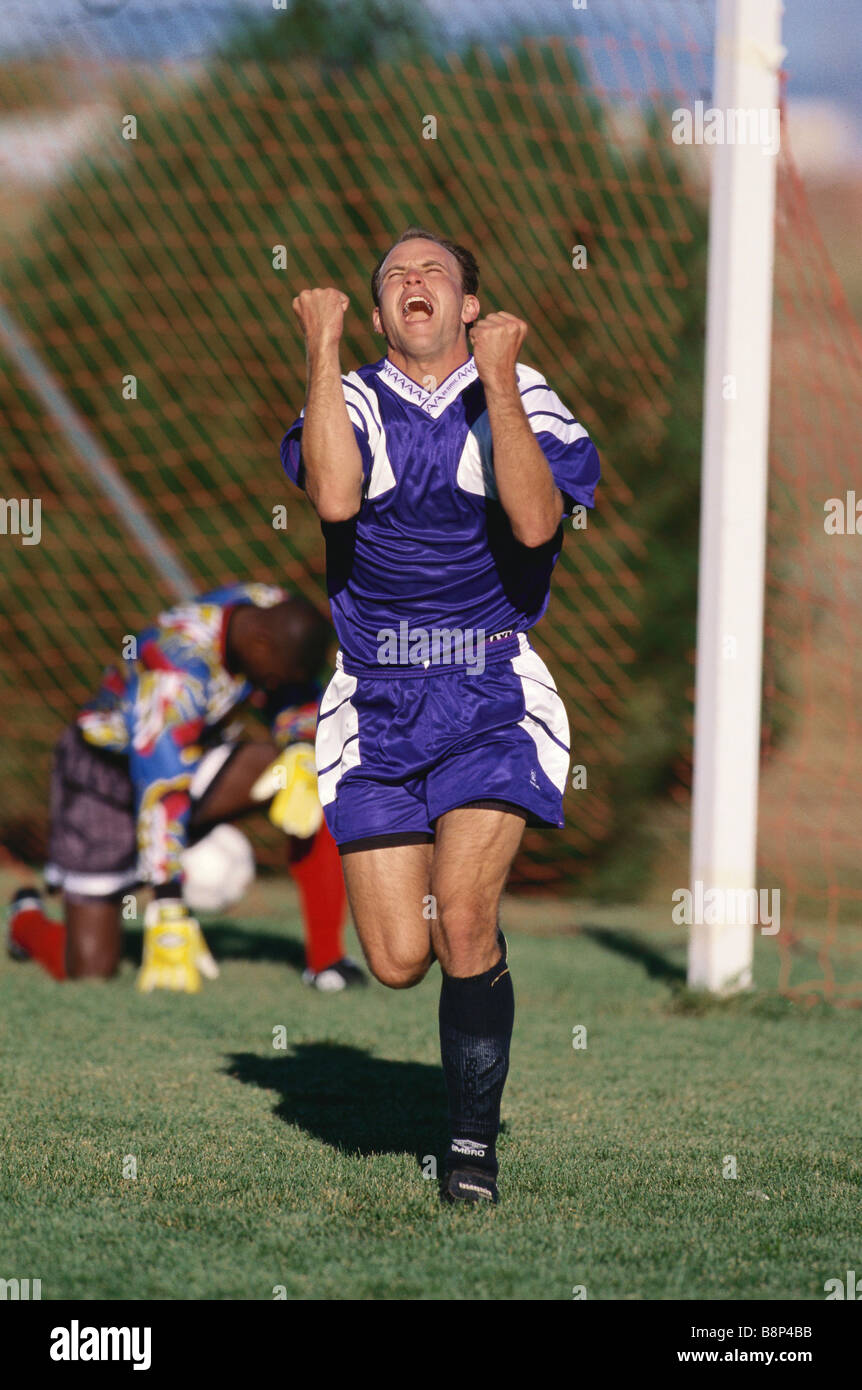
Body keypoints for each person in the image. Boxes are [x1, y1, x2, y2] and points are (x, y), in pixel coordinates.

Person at [281, 227, 600, 1202]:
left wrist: (498, 380)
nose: (411, 283)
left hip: (489, 689)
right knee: (395, 959)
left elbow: (539, 521)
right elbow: (333, 493)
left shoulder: (521, 387)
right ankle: (465, 1014)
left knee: (463, 918)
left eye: (434, 274)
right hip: (374, 698)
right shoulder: (351, 394)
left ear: (470, 306)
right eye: (392, 279)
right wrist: (322, 344)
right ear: (378, 313)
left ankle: (469, 1150)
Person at [7, 582, 364, 993]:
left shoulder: (269, 612)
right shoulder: (173, 677)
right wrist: (170, 906)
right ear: (261, 647)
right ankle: (25, 920)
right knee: (89, 968)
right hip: (103, 781)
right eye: (281, 676)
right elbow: (162, 794)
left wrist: (301, 744)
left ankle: (326, 961)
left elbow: (293, 697)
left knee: (310, 773)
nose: (278, 684)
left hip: (191, 758)